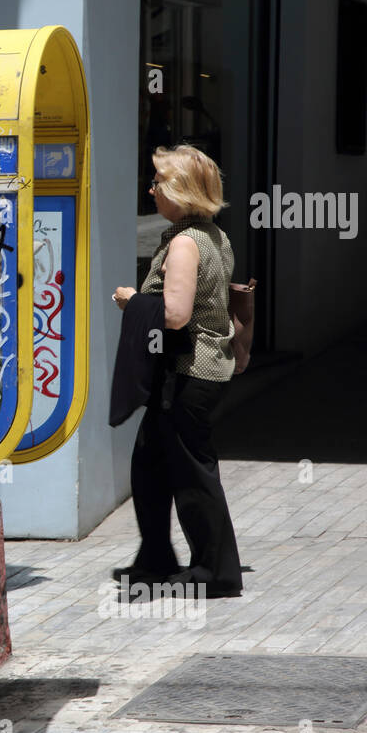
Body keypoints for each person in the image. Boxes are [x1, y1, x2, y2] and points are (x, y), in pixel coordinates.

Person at [111, 144, 244, 598]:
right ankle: (155, 558)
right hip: (189, 373)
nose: (150, 191)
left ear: (181, 191)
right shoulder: (210, 234)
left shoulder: (187, 243)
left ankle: (215, 570)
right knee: (149, 463)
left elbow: (174, 315)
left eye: (157, 183)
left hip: (190, 374)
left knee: (192, 472)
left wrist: (133, 301)